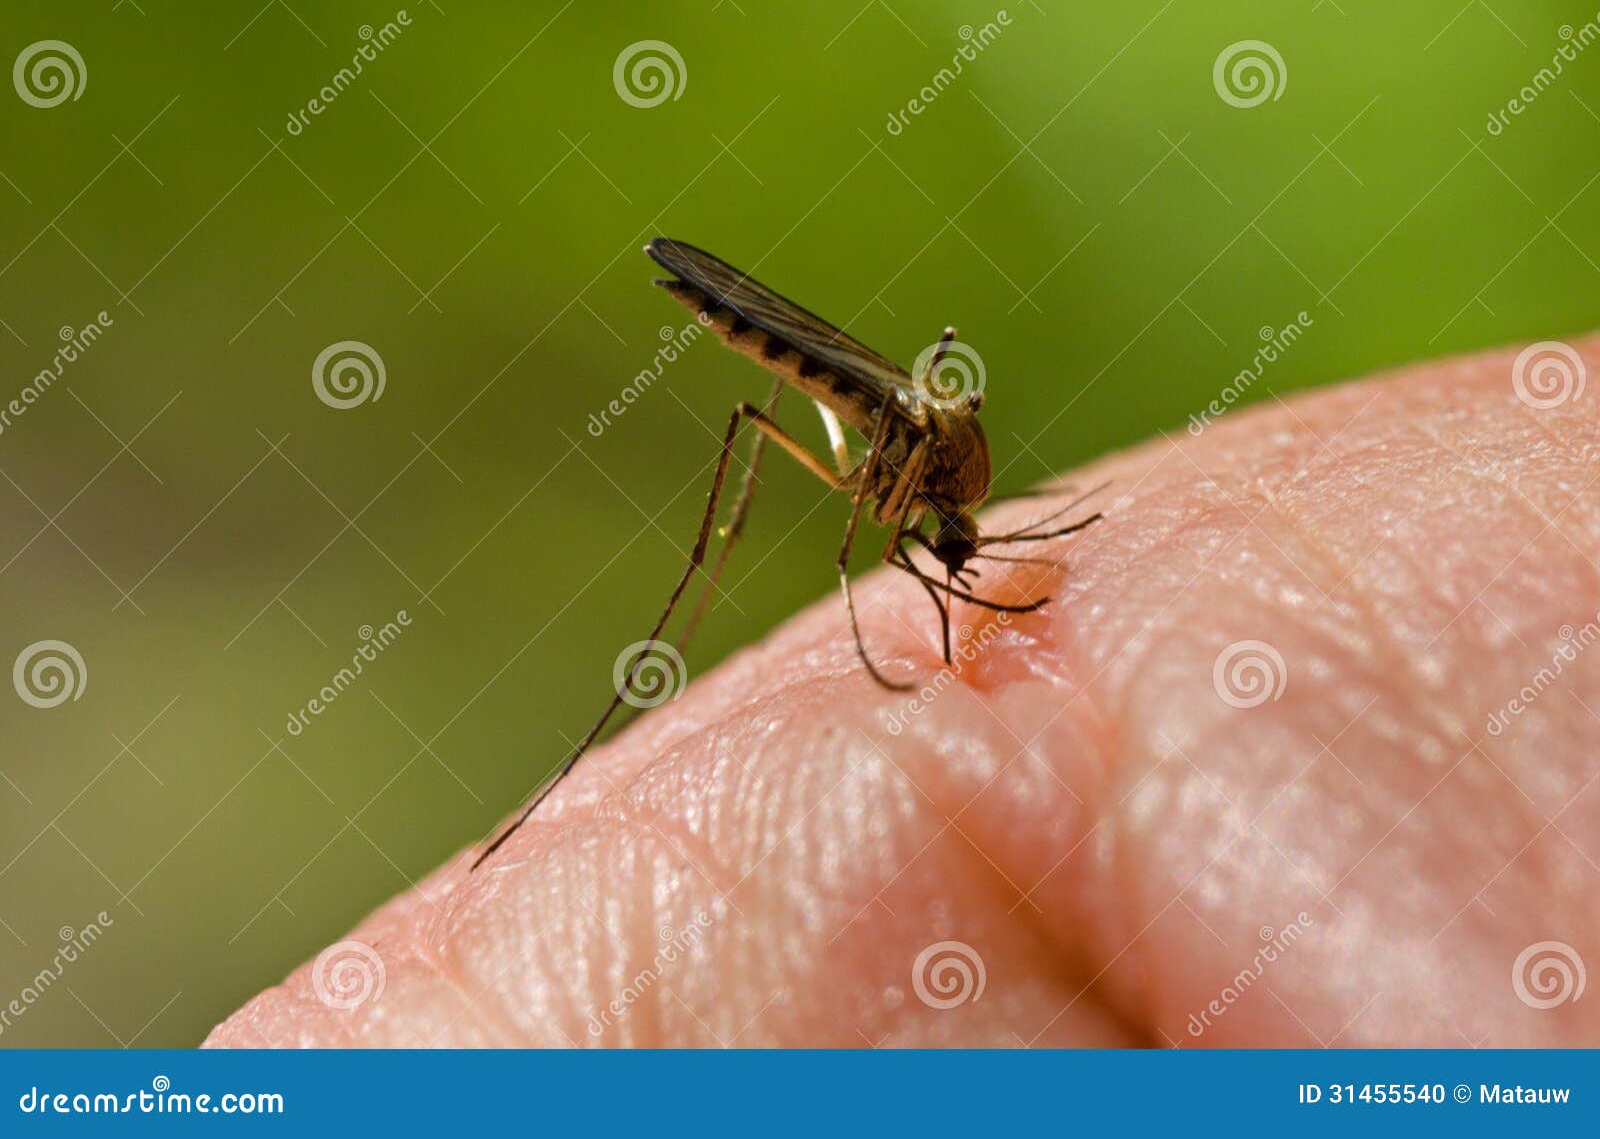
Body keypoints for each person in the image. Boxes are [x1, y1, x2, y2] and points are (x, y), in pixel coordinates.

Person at [207, 336, 1600, 1047]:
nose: (944, 552)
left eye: (939, 544)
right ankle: (696, 578)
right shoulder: (912, 479)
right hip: (870, 418)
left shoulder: (951, 500)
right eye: (945, 544)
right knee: (762, 416)